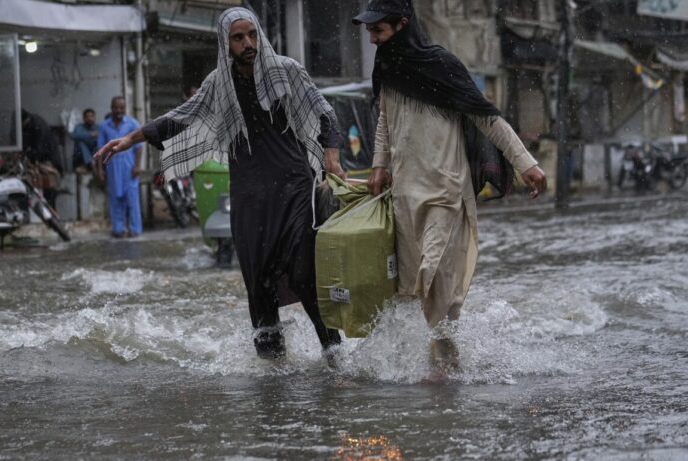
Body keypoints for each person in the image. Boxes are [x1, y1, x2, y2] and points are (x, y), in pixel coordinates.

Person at [95, 8, 345, 361]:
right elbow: (179, 119)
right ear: (225, 43)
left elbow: (325, 113)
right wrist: (128, 139)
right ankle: (272, 372)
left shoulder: (287, 72)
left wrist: (331, 156)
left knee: (305, 276)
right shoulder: (219, 85)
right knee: (258, 287)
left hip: (293, 189)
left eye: (252, 35)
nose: (248, 44)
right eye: (238, 38)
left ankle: (335, 357)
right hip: (249, 196)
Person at [355, 0, 548, 376]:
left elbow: (486, 117)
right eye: (370, 32)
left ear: (402, 25)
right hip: (405, 197)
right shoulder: (387, 67)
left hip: (446, 192)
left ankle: (438, 370)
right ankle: (446, 361)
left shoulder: (441, 65)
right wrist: (379, 166)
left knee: (434, 278)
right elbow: (385, 120)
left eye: (378, 30)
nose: (373, 39)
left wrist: (527, 163)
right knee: (413, 288)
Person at [96, 96, 143, 238]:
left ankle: (135, 230)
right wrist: (100, 169)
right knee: (116, 199)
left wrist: (137, 165)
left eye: (121, 107)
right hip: (112, 167)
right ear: (111, 108)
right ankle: (118, 229)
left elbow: (139, 147)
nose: (118, 110)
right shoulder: (104, 126)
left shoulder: (132, 123)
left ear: (125, 108)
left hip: (129, 167)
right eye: (116, 107)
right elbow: (101, 149)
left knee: (132, 200)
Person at [71, 108, 98, 174]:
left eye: (91, 116)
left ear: (95, 117)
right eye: (87, 116)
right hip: (80, 157)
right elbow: (74, 136)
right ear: (83, 118)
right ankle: (91, 163)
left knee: (99, 143)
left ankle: (92, 163)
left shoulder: (98, 127)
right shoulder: (79, 127)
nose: (89, 118)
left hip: (94, 154)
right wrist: (90, 134)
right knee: (80, 142)